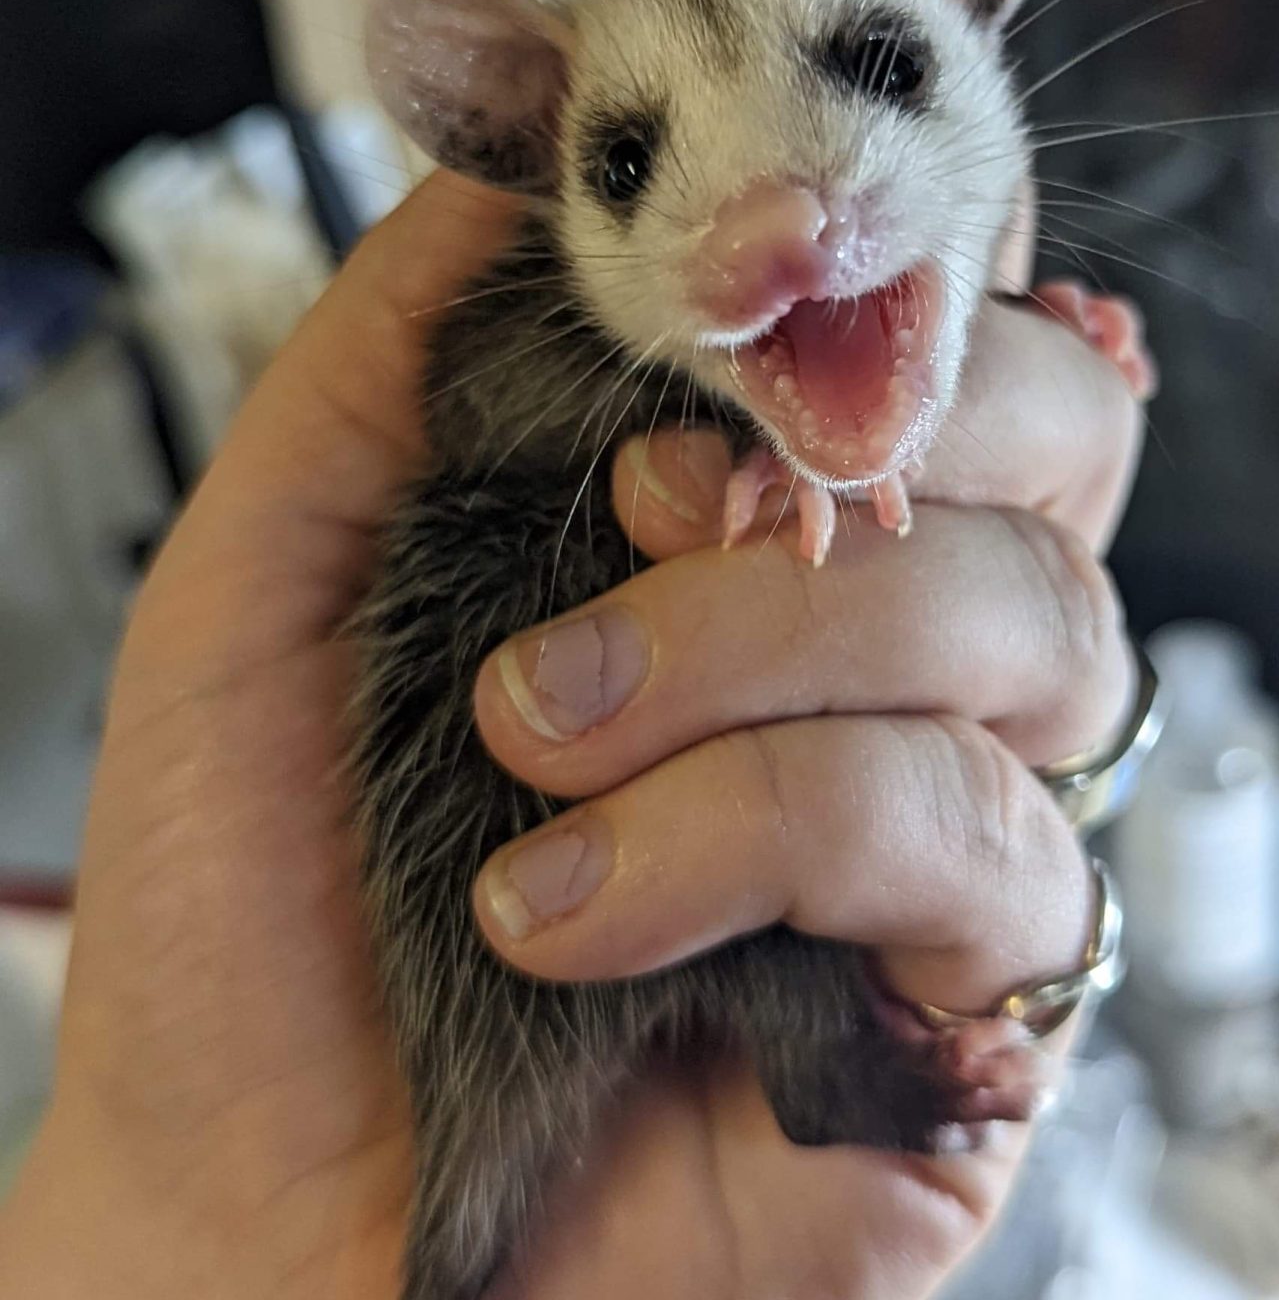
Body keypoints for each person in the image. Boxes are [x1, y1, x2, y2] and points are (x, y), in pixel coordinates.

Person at [0, 169, 1147, 1299]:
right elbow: (485, 396)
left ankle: (828, 1058)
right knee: (764, 850)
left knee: (796, 835)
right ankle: (828, 1060)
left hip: (601, 917)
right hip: (489, 770)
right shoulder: (549, 274)